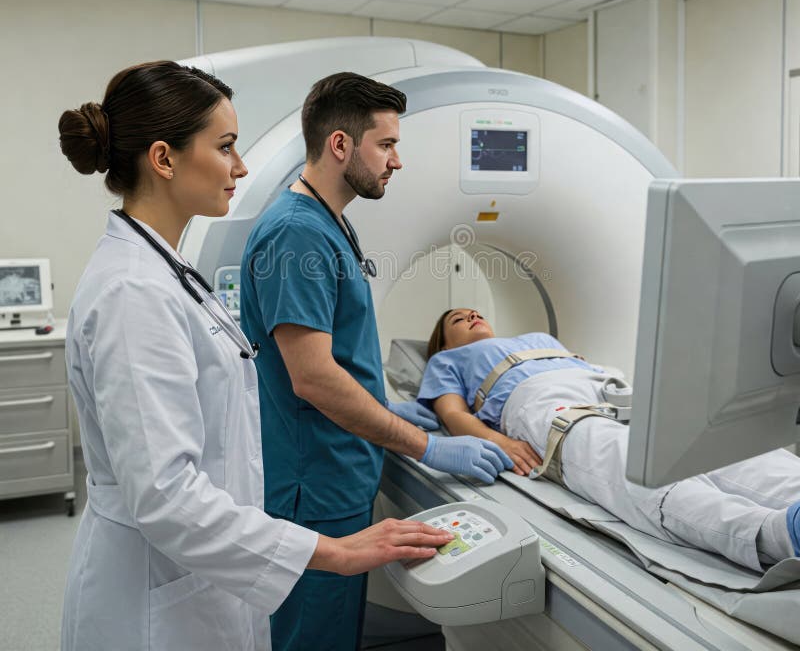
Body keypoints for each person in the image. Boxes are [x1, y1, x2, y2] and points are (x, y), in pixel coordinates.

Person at [56, 61, 456, 651]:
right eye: (225, 147)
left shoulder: (168, 270)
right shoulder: (132, 292)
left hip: (206, 569)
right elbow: (165, 495)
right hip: (153, 596)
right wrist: (334, 552)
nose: (241, 166)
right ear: (164, 159)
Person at [240, 72, 513, 651]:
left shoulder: (330, 222)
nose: (397, 160)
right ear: (340, 145)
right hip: (314, 484)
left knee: (334, 633)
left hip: (339, 471)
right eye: (386, 144)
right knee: (314, 639)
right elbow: (313, 378)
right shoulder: (297, 235)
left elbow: (338, 354)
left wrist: (388, 408)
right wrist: (427, 446)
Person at [420, 307, 800, 572]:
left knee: (709, 444)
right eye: (458, 318)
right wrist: (495, 440)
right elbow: (452, 415)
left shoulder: (535, 338)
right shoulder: (449, 361)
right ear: (444, 343)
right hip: (544, 400)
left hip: (609, 384)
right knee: (627, 464)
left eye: (476, 312)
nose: (472, 315)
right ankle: (775, 534)